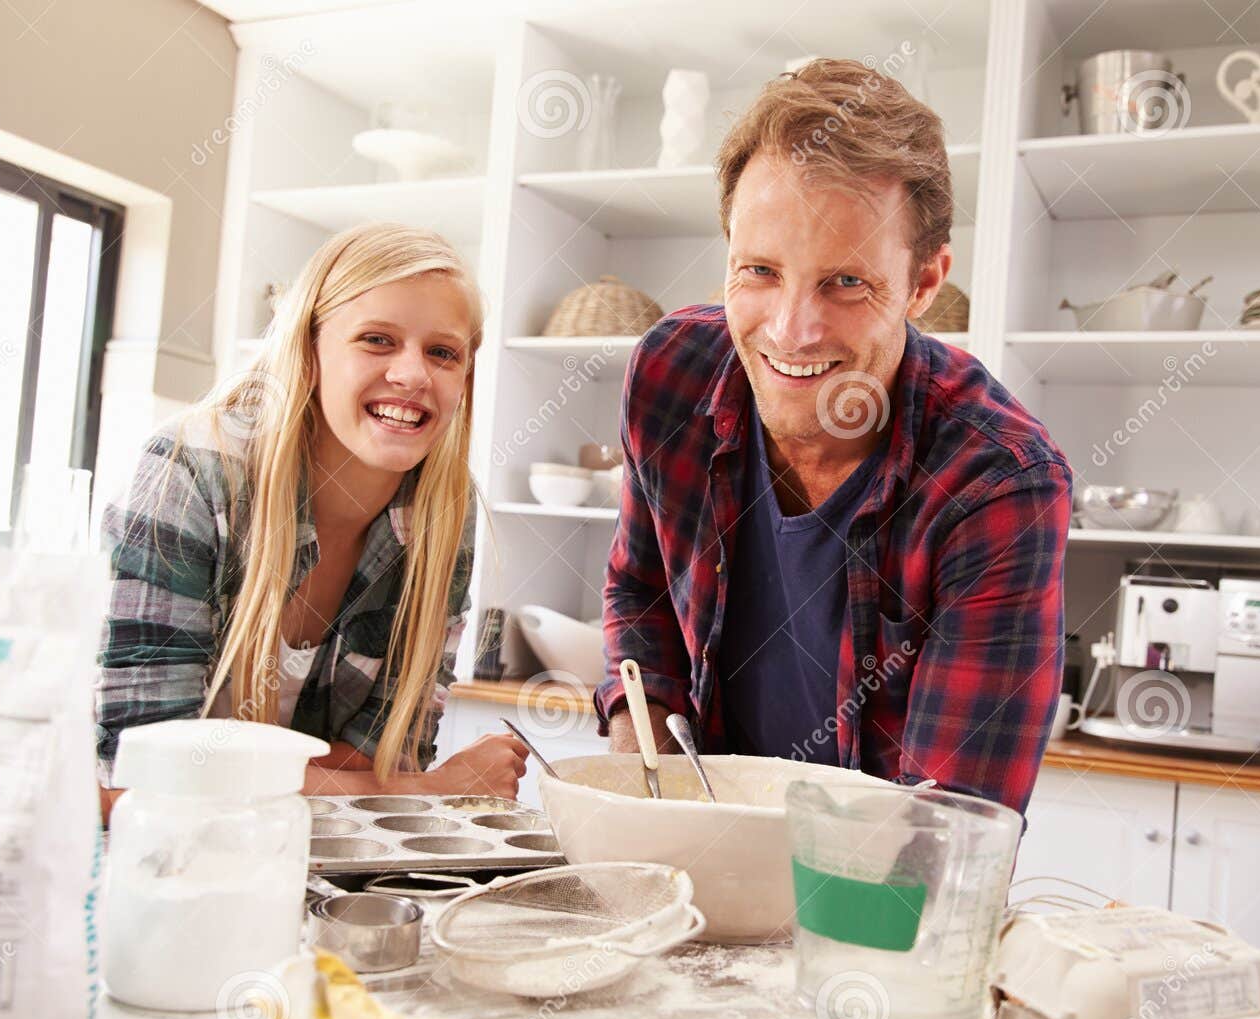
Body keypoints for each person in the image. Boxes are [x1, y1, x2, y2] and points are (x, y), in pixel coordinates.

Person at [595, 60, 1071, 814]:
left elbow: (947, 832)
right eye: (758, 270)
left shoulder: (998, 480)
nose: (790, 329)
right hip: (697, 845)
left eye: (845, 282)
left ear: (923, 283)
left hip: (869, 893)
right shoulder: (670, 373)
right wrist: (647, 775)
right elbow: (640, 587)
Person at [96, 222, 526, 807]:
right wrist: (428, 791)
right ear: (309, 349)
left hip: (301, 857)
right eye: (377, 339)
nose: (413, 375)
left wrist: (388, 784)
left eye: (442, 353)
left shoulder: (444, 511)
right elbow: (142, 773)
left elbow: (380, 759)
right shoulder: (191, 471)